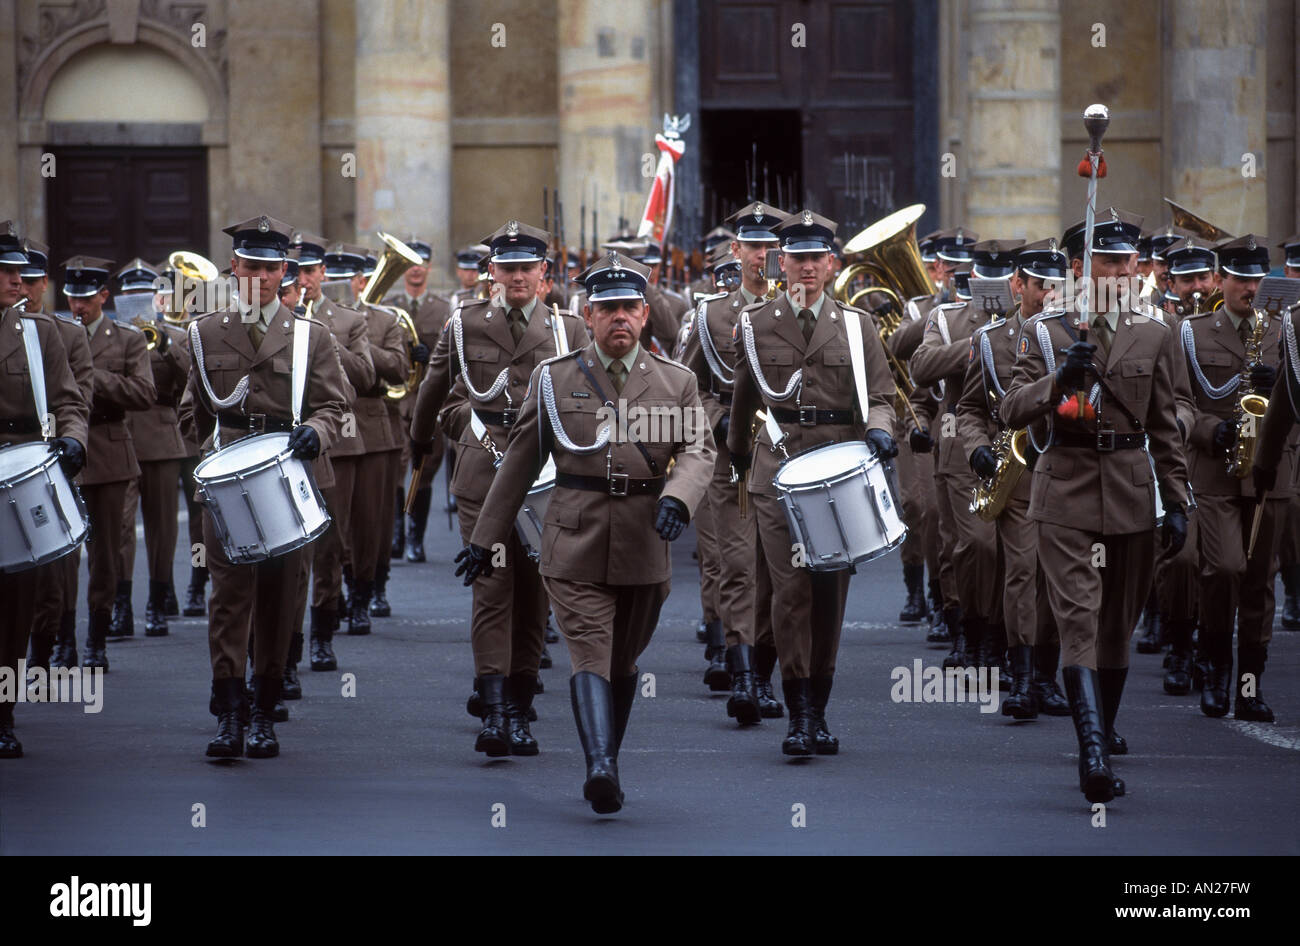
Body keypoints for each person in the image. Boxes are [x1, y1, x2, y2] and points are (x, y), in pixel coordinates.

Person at [459, 249, 715, 812]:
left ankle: (610, 756)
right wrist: (484, 539)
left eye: (629, 307)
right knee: (589, 654)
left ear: (645, 315)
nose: (619, 317)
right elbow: (519, 465)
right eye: (607, 308)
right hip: (572, 538)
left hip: (647, 540)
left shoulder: (677, 383)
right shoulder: (556, 379)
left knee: (623, 661)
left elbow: (699, 452)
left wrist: (679, 499)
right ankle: (599, 765)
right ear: (589, 314)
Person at [1000, 208, 1190, 803]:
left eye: (1128, 260)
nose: (1122, 270)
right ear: (1080, 267)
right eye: (1108, 260)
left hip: (1132, 490)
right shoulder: (1045, 330)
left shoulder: (1156, 331)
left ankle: (1103, 733)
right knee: (1079, 616)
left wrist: (1178, 499)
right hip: (1066, 488)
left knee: (1116, 625)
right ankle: (1090, 753)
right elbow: (1009, 409)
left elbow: (1166, 424)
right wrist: (1059, 380)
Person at [411, 220, 586, 756]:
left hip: (545, 477)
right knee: (491, 586)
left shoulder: (568, 330)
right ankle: (493, 710)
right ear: (491, 272)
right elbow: (434, 397)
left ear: (543, 273)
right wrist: (431, 438)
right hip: (482, 474)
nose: (516, 277)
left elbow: (591, 400)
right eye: (506, 268)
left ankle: (518, 700)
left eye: (525, 268)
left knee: (535, 593)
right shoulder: (462, 325)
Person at [727, 210, 898, 757]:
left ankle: (818, 708)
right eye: (795, 257)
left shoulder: (857, 325)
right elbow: (742, 405)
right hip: (778, 472)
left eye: (814, 258)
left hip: (838, 470)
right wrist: (735, 460)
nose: (804, 267)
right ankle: (798, 715)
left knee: (830, 594)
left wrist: (880, 431)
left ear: (831, 263)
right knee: (792, 591)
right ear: (782, 261)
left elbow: (883, 396)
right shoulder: (754, 324)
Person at [179, 215, 349, 758]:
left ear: (285, 273)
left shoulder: (310, 337)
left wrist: (315, 433)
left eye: (270, 269)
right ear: (235, 268)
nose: (260, 278)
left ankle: (263, 709)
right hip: (230, 482)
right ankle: (229, 713)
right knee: (229, 598)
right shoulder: (206, 332)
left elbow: (335, 407)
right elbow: (190, 412)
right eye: (250, 267)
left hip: (291, 480)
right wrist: (209, 444)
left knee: (280, 600)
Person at [681, 200, 789, 722]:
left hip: (788, 455)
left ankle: (766, 671)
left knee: (777, 569)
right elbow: (687, 388)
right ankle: (744, 675)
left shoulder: (800, 310)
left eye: (772, 246)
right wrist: (718, 417)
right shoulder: (712, 315)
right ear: (736, 250)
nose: (763, 255)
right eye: (754, 246)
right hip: (732, 456)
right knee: (738, 562)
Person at [954, 239, 1071, 717]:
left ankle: (1047, 675)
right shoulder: (991, 339)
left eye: (1057, 285)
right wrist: (977, 446)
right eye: (1040, 284)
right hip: (1018, 473)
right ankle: (1023, 678)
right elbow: (969, 409)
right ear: (1017, 285)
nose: (1048, 293)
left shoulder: (1076, 336)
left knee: (1058, 580)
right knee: (1022, 573)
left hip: (1067, 470)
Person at [1180, 235, 1294, 722]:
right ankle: (1215, 670)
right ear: (1221, 279)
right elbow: (1178, 404)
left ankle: (1249, 686)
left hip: (1272, 469)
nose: (1250, 288)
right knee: (1223, 569)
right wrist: (1211, 428)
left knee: (1259, 580)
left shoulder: (1285, 331)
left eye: (1257, 278)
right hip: (1217, 470)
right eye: (1241, 278)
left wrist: (1284, 386)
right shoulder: (1192, 332)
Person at [0, 223, 90, 758]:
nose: (20, 281)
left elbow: (70, 402)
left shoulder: (40, 333)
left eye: (20, 272)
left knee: (15, 600)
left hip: (22, 473)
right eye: (7, 272)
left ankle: (3, 713)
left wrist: (74, 441)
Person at [61, 255, 156, 668]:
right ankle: (63, 636)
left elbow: (144, 393)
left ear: (103, 296)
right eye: (71, 298)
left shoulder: (128, 339)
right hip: (65, 449)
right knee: (62, 552)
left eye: (85, 299)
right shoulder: (55, 334)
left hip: (109, 447)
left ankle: (97, 636)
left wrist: (91, 376)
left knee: (106, 552)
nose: (77, 307)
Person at [114, 259, 192, 638]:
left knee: (162, 529)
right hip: (120, 435)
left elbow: (191, 379)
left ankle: (159, 599)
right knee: (120, 527)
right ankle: (120, 604)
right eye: (131, 297)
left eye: (146, 297)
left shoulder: (174, 335)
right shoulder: (109, 336)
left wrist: (166, 343)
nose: (139, 304)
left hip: (161, 438)